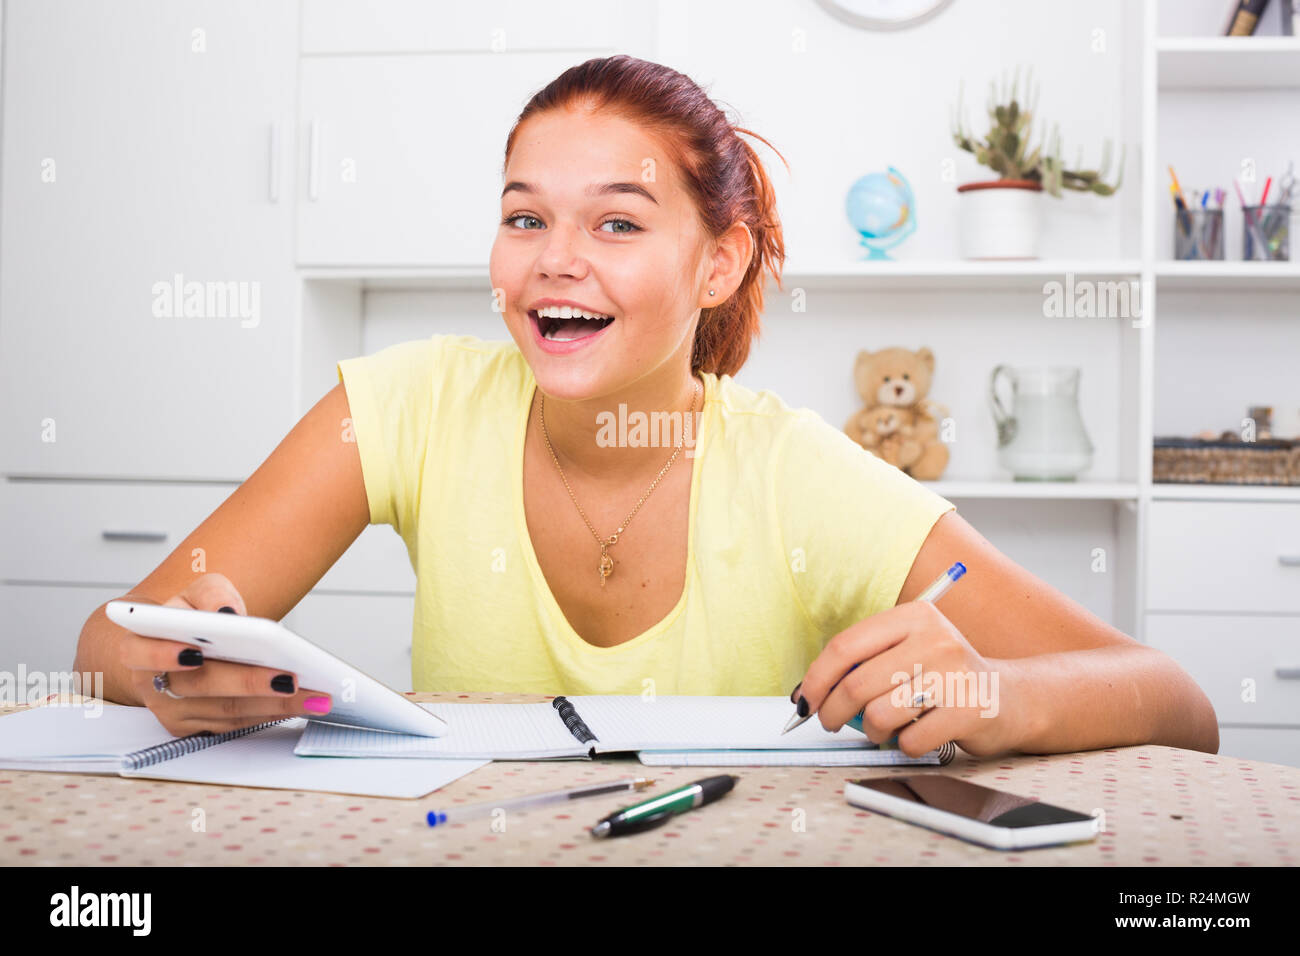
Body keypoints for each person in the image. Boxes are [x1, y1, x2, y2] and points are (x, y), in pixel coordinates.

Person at [73, 55, 1218, 758]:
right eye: (525, 218)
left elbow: (1177, 705)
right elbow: (106, 641)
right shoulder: (409, 403)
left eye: (617, 223)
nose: (554, 262)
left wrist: (991, 690)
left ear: (715, 266)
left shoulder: (792, 472)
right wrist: (175, 667)